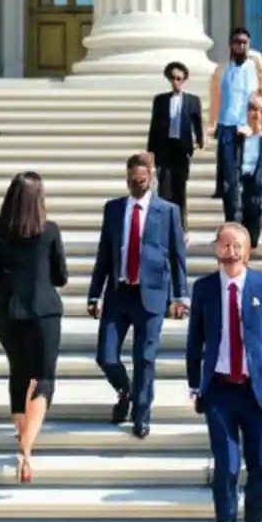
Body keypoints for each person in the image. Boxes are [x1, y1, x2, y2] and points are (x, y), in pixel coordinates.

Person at [186, 222, 262, 522]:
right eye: (225, 244)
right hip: (220, 391)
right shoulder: (204, 288)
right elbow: (195, 341)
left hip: (257, 390)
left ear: (248, 251)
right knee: (227, 467)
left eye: (237, 245)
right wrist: (195, 383)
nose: (231, 250)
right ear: (216, 249)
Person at [87, 152, 188, 439]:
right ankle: (126, 390)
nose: (138, 184)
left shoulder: (167, 211)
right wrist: (94, 294)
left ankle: (142, 414)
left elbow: (177, 256)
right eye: (133, 179)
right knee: (106, 355)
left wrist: (181, 296)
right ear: (127, 179)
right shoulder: (114, 209)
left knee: (145, 357)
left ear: (152, 178)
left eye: (142, 179)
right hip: (119, 292)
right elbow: (104, 254)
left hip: (152, 293)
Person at [0, 171, 69, 483]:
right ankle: (25, 450)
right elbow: (61, 277)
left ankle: (22, 440)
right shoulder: (50, 231)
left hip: (7, 309)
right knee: (43, 377)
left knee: (18, 371)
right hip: (44, 311)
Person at [209, 28, 262, 219]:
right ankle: (232, 223)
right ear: (231, 44)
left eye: (244, 42)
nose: (241, 45)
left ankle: (249, 225)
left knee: (250, 179)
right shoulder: (224, 69)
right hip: (227, 127)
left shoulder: (255, 68)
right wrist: (214, 123)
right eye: (237, 41)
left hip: (249, 128)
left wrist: (257, 125)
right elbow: (218, 99)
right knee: (229, 181)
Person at [147, 61, 204, 233]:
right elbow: (154, 126)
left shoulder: (192, 100)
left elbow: (197, 122)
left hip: (181, 150)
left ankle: (180, 226)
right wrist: (151, 151)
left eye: (179, 78)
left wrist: (200, 141)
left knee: (180, 189)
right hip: (164, 149)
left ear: (184, 79)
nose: (176, 81)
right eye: (173, 78)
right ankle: (164, 224)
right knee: (164, 188)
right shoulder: (161, 100)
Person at [234, 92, 262, 250]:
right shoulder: (239, 139)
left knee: (252, 208)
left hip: (256, 185)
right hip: (241, 182)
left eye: (261, 111)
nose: (256, 114)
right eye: (252, 109)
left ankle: (250, 241)